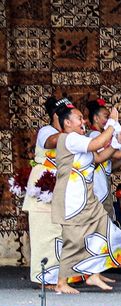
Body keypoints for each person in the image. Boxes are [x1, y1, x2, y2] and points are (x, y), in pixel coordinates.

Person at [51, 101, 121, 294]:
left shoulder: (80, 140)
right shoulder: (69, 139)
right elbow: (98, 143)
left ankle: (93, 273)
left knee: (110, 232)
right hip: (72, 199)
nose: (83, 121)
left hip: (89, 199)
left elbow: (99, 157)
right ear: (67, 123)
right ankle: (61, 282)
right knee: (74, 241)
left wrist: (117, 142)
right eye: (79, 118)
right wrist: (112, 123)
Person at [26, 97, 69, 286]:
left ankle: (61, 276)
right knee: (44, 235)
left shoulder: (67, 135)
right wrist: (71, 132)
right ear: (57, 116)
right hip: (42, 190)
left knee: (59, 233)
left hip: (60, 190)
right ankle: (43, 278)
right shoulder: (47, 131)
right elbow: (51, 142)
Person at [85, 98, 121, 219]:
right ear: (96, 118)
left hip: (103, 189)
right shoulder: (95, 136)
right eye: (106, 117)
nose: (110, 120)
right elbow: (117, 155)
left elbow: (110, 167)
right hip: (97, 191)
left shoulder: (101, 136)